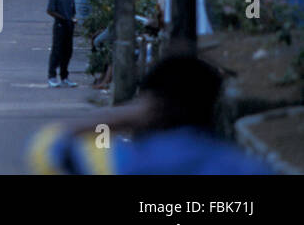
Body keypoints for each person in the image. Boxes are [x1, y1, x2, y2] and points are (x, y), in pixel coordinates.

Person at [27, 55, 276, 174]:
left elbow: (47, 146)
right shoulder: (248, 168)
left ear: (149, 107)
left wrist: (125, 114)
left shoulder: (120, 162)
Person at [46, 0, 78, 87]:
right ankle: (52, 76)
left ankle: (64, 76)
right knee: (57, 51)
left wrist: (72, 20)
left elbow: (73, 13)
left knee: (67, 52)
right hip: (60, 26)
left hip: (69, 27)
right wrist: (63, 18)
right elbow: (50, 10)